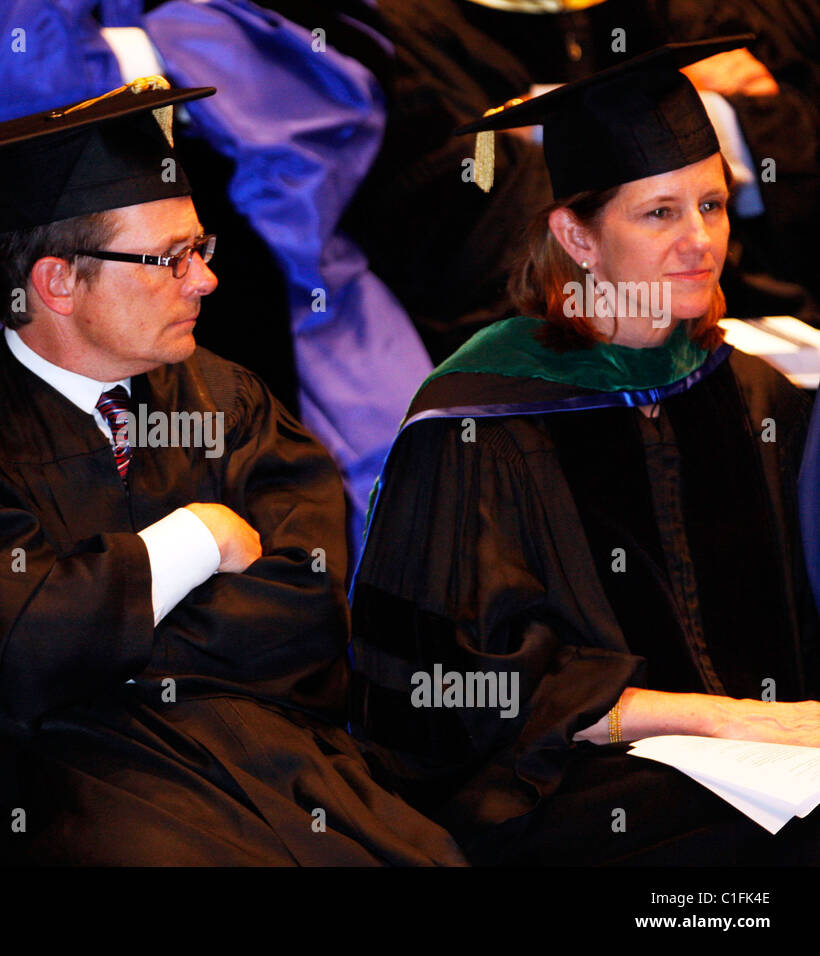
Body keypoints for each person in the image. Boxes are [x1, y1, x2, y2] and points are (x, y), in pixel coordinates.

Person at [0, 80, 466, 865]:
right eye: (170, 258)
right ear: (57, 281)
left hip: (273, 762)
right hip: (72, 796)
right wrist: (191, 541)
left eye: (201, 248)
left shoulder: (229, 400)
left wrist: (101, 640)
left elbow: (306, 606)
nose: (206, 280)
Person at [351, 37, 820, 865]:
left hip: (771, 761)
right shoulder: (478, 422)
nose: (699, 241)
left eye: (711, 205)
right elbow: (443, 696)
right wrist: (720, 716)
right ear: (576, 235)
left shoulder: (749, 393)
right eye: (659, 212)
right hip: (560, 788)